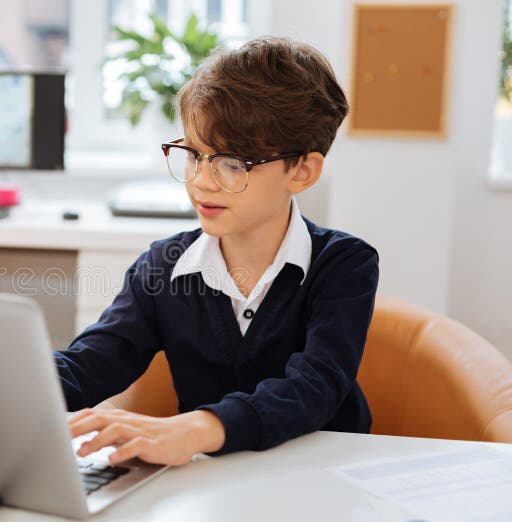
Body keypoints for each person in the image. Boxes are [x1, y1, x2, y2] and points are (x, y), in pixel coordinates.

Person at [56, 37, 380, 466]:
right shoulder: (162, 266)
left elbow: (314, 387)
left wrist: (195, 429)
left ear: (301, 170)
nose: (201, 182)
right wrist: (1, 385)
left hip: (321, 480)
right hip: (212, 487)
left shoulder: (343, 265)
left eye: (231, 163)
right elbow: (91, 364)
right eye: (194, 154)